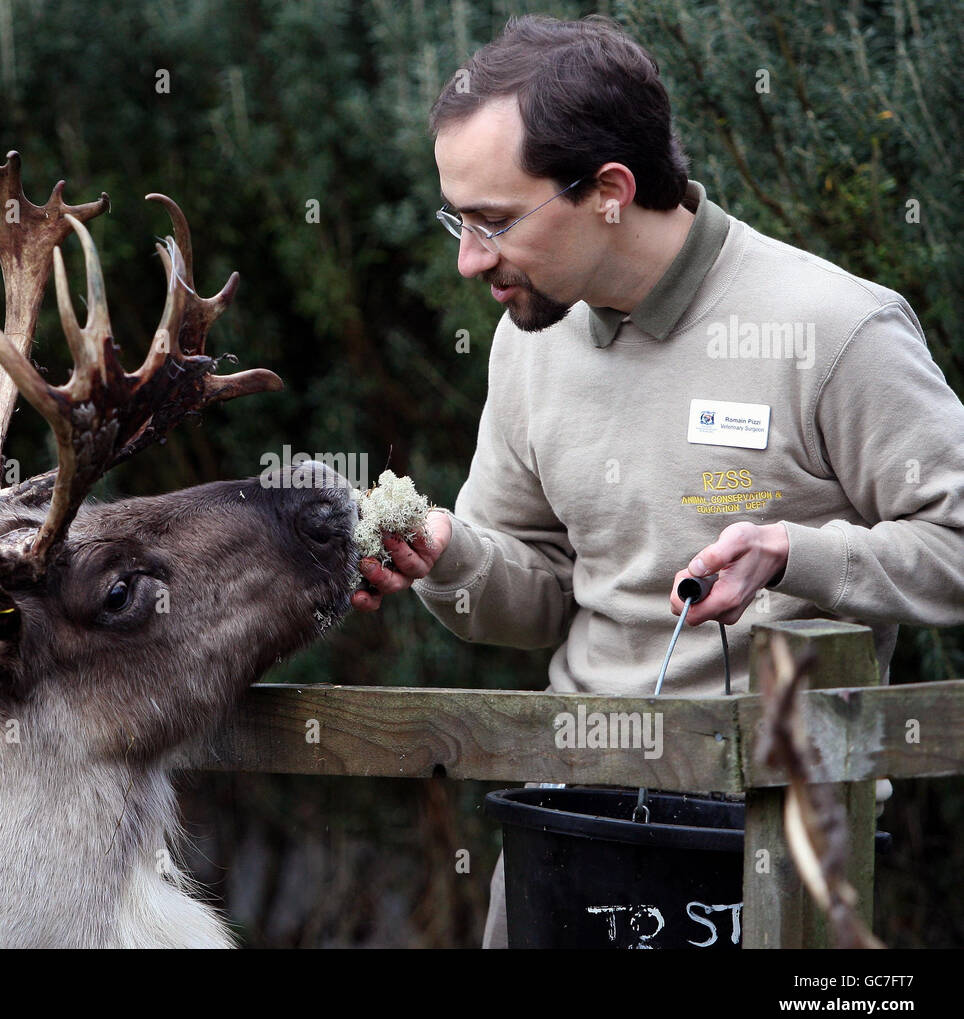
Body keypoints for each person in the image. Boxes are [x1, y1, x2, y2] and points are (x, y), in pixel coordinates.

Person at [352, 14, 964, 947]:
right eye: (458, 219)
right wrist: (448, 554)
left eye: (495, 222)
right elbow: (540, 598)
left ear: (609, 191)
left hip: (769, 849)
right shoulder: (531, 343)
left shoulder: (837, 330)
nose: (470, 259)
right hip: (564, 827)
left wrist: (794, 552)